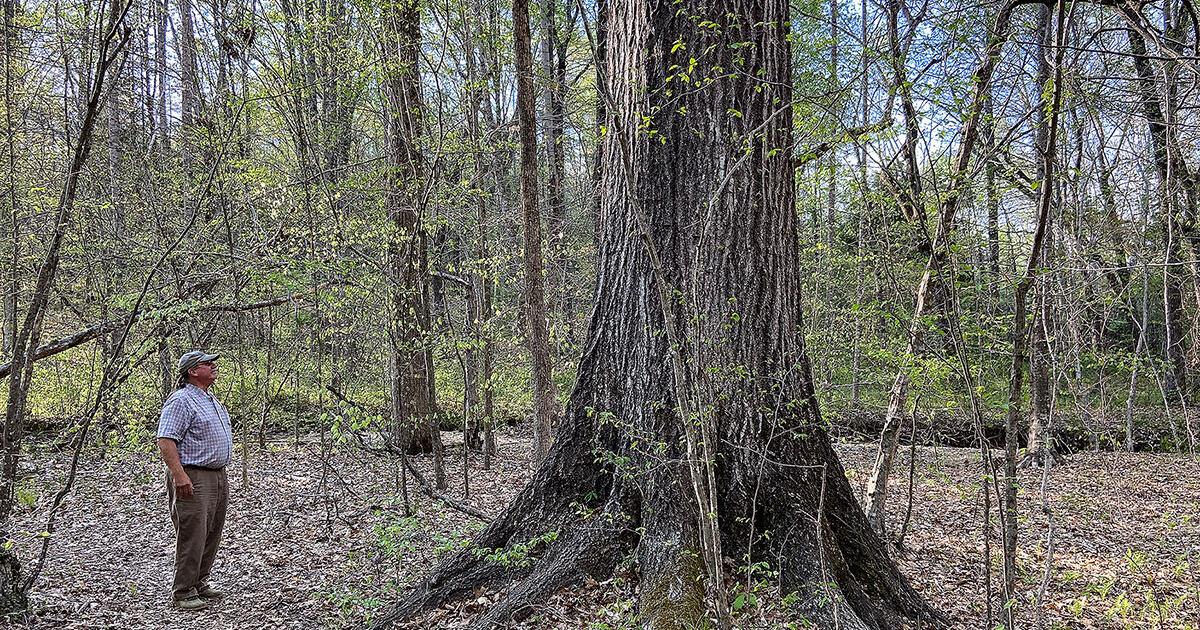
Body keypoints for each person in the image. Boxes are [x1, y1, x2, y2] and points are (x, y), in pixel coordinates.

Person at [156, 350, 233, 611]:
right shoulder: (181, 400)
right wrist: (179, 475)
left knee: (211, 531)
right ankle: (183, 591)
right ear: (192, 371)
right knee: (193, 533)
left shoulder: (209, 400)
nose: (213, 366)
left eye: (213, 363)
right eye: (207, 363)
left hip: (217, 474)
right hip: (194, 474)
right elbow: (166, 440)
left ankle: (199, 582)